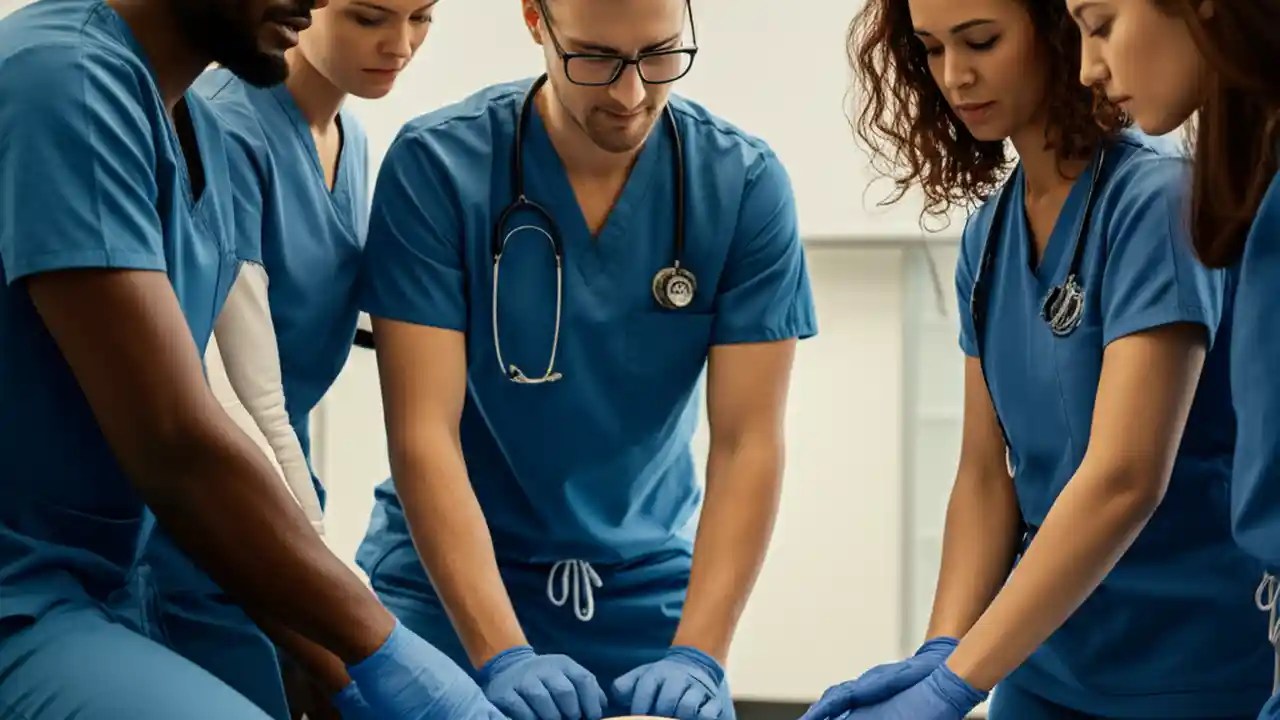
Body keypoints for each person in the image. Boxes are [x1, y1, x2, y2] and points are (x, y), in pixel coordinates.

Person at [0, 0, 504, 718]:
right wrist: (386, 649)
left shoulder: (194, 128)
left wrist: (346, 669)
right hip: (22, 595)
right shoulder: (64, 78)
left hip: (121, 582)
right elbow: (178, 441)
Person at [799, 1, 1272, 718]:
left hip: (1185, 669)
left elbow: (1124, 477)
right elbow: (986, 475)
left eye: (982, 41)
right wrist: (941, 656)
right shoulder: (988, 238)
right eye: (930, 50)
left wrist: (960, 681)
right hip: (1041, 663)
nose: (955, 76)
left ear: (1054, 29)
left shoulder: (1157, 199)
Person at [354, 0, 817, 718]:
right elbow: (424, 434)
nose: (630, 95)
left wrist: (698, 654)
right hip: (449, 591)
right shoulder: (439, 168)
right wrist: (500, 652)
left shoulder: (742, 185)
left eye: (660, 55)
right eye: (595, 59)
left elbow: (748, 442)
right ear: (536, 21)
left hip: (647, 596)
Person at [124, 1, 437, 717]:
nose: (400, 45)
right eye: (368, 18)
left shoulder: (346, 134)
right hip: (211, 505)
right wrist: (327, 580)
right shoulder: (227, 125)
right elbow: (243, 392)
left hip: (281, 486)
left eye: (422, 17)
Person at [1060, 0, 1280, 716]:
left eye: (1100, 24)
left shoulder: (1157, 198)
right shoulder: (1248, 190)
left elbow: (1125, 476)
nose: (1089, 67)